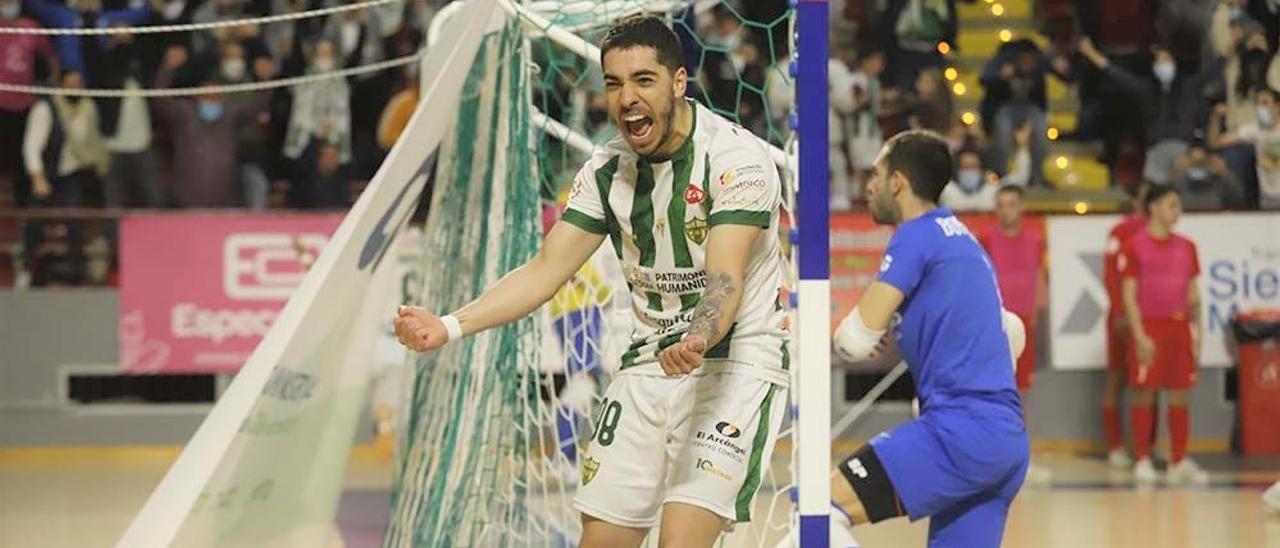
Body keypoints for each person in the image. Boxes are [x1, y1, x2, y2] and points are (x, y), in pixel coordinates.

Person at [394, 15, 789, 547]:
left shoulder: (737, 159)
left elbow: (724, 279)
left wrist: (697, 336)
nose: (626, 98)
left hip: (734, 365)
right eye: (613, 82)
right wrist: (448, 326)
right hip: (650, 363)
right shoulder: (606, 171)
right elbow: (543, 272)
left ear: (678, 83)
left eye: (643, 80)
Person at [827, 130, 1029, 547]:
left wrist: (861, 327)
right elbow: (1011, 330)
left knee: (816, 510)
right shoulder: (962, 238)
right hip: (1004, 441)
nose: (868, 185)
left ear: (898, 182)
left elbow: (853, 340)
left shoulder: (916, 235)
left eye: (876, 174)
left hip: (957, 434)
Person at [1118, 185, 1208, 485]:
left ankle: (1178, 461)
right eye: (1171, 205)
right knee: (1144, 392)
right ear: (1154, 207)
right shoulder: (1134, 246)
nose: (1177, 212)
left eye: (1178, 206)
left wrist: (1197, 333)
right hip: (1150, 327)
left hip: (1180, 326)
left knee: (1180, 393)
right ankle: (1143, 458)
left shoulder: (1188, 246)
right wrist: (1139, 334)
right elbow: (1128, 295)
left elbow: (1194, 293)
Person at [980, 184, 1049, 484]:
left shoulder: (1035, 240)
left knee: (1020, 395)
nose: (1007, 210)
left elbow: (1040, 282)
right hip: (996, 327)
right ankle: (989, 460)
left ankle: (1018, 461)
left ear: (1021, 207)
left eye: (1012, 204)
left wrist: (1037, 317)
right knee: (993, 394)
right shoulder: (986, 240)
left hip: (1026, 325)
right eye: (1001, 204)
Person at [1101, 181, 1149, 469]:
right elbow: (1110, 274)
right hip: (1122, 317)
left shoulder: (1158, 234)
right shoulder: (1120, 232)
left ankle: (1146, 446)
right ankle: (1115, 445)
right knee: (1117, 379)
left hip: (1148, 318)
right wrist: (1119, 311)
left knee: (1147, 383)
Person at [1209, 88, 1280, 209]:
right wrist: (1216, 117)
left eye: (1265, 103)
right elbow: (1215, 142)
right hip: (1267, 199)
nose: (1260, 108)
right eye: (1257, 104)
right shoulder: (1256, 128)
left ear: (1277, 106)